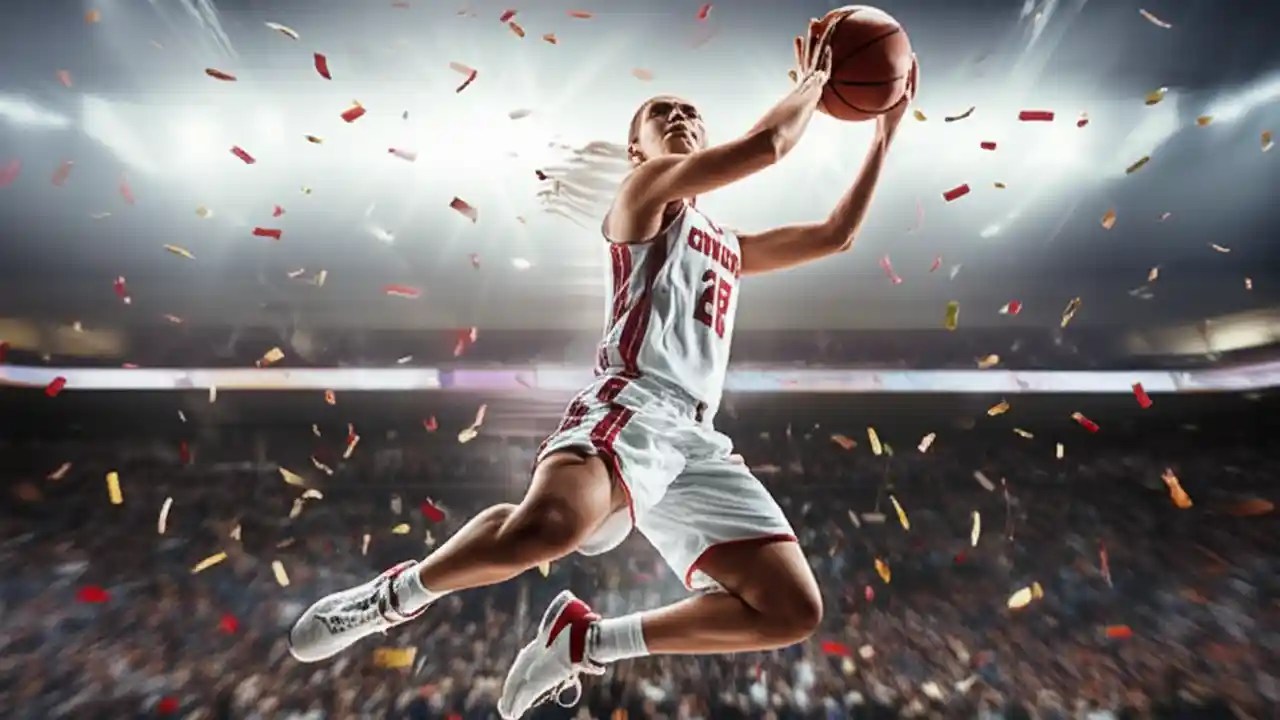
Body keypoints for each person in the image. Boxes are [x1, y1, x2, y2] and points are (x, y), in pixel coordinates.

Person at [288, 16, 917, 720]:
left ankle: (587, 641)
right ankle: (390, 599)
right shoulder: (642, 197)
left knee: (790, 609)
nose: (678, 117)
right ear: (636, 148)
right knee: (546, 531)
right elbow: (770, 144)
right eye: (661, 113)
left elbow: (837, 234)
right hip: (632, 403)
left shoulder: (728, 244)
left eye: (690, 114)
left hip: (697, 440)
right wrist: (814, 84)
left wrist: (884, 135)